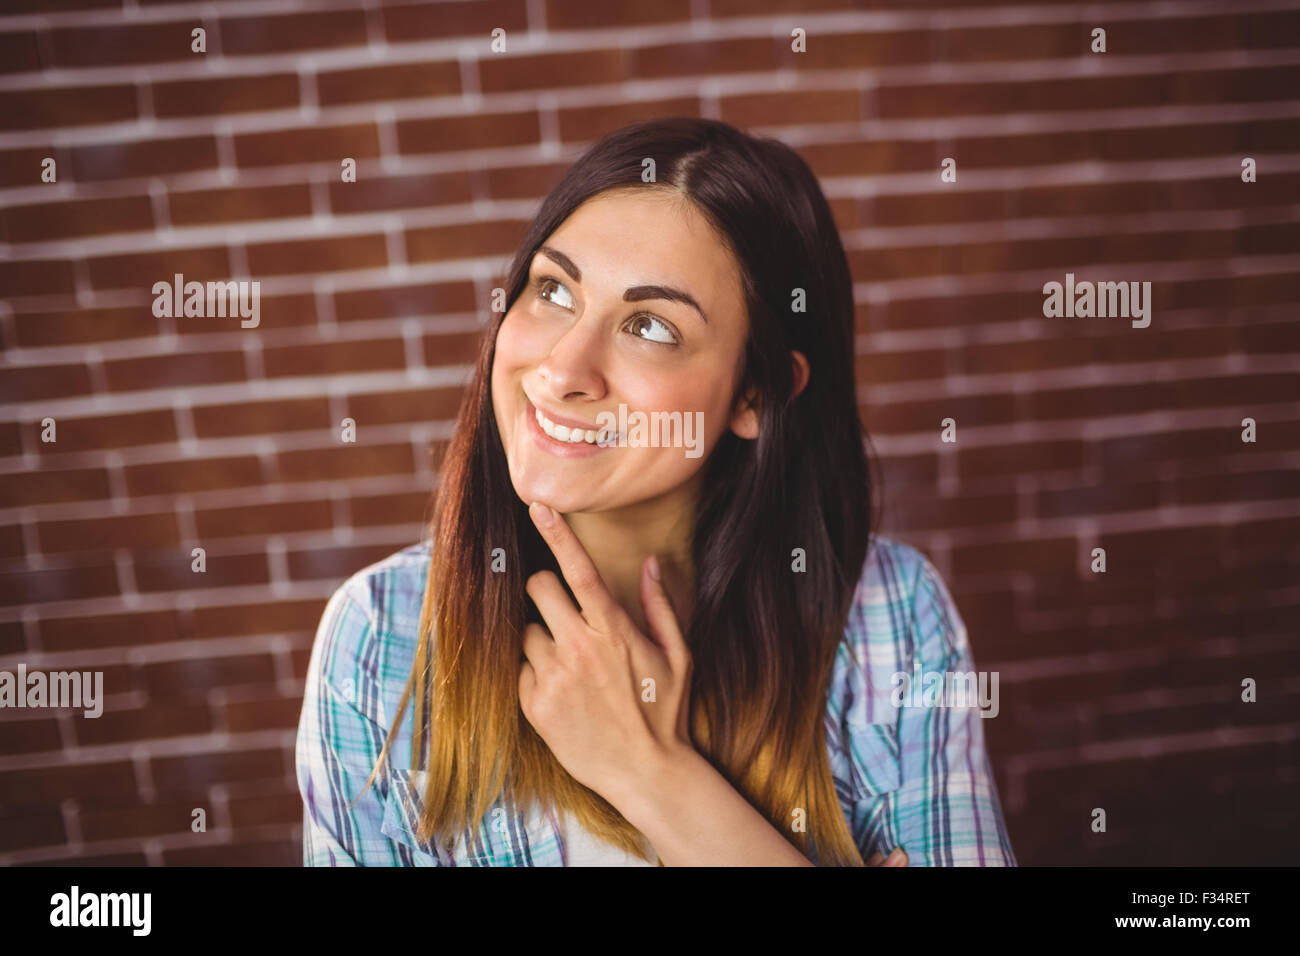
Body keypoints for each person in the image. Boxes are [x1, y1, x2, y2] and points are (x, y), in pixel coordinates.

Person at [295, 117, 1016, 866]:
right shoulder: (382, 636)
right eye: (553, 290)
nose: (564, 369)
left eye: (649, 327)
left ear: (756, 396)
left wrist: (651, 773)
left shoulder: (891, 618)